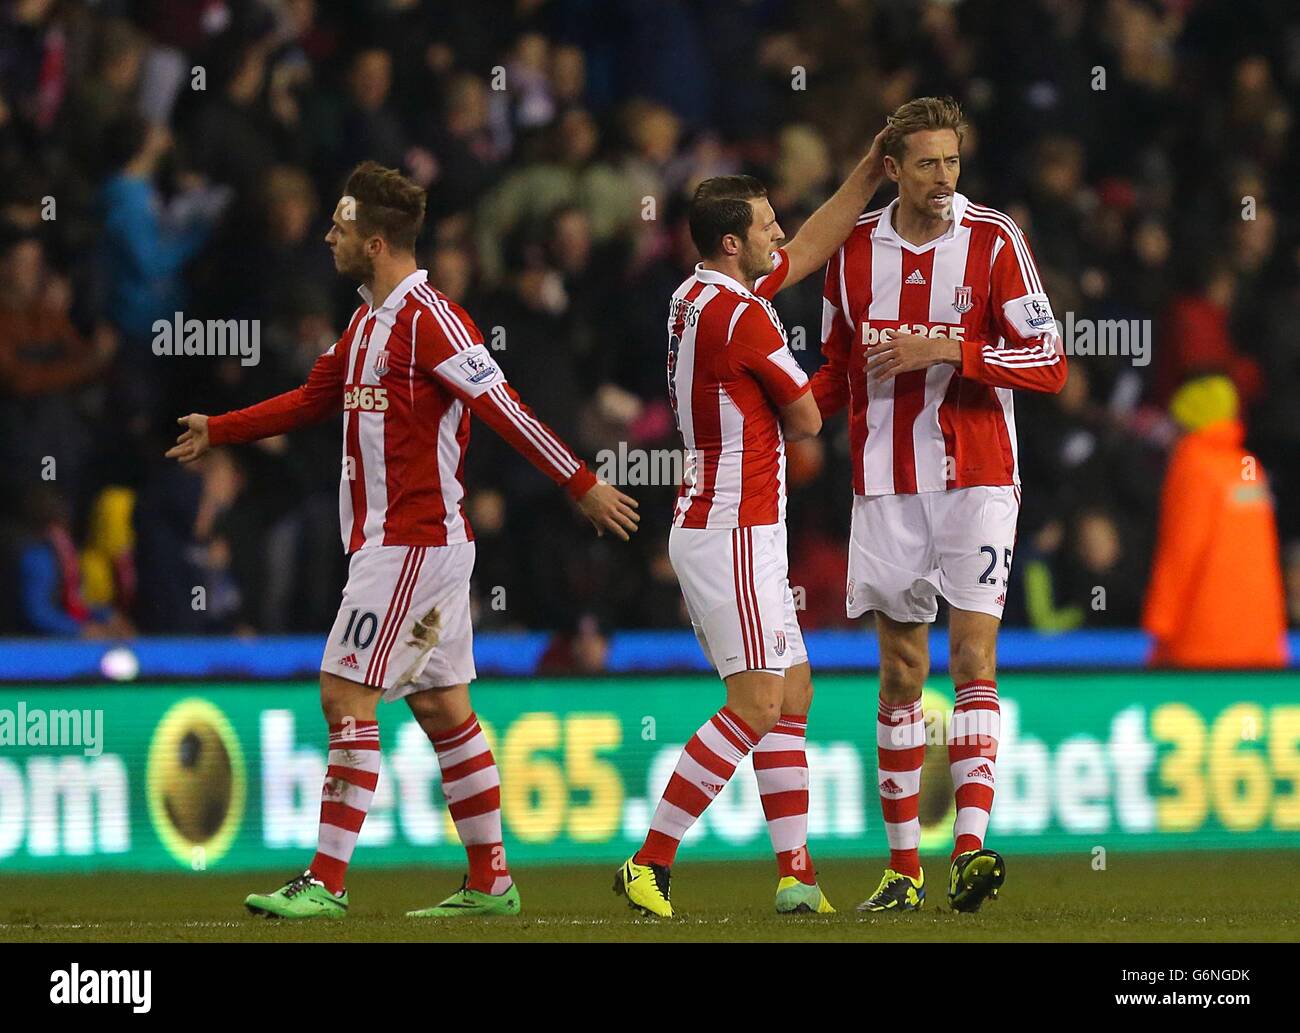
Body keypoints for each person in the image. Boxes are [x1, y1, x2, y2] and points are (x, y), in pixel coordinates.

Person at [166, 161, 638, 919]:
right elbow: (310, 399)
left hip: (412, 544)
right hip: (402, 546)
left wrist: (580, 482)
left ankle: (326, 880)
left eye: (340, 227)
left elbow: (505, 408)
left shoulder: (432, 320)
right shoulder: (365, 324)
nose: (328, 236)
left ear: (377, 242)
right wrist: (220, 428)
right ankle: (492, 882)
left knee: (343, 691)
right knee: (445, 709)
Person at [616, 131, 887, 918]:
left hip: (733, 523)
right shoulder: (744, 317)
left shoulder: (697, 294)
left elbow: (810, 244)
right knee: (759, 701)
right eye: (767, 225)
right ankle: (649, 861)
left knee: (792, 689)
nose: (780, 233)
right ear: (732, 243)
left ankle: (796, 875)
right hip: (732, 526)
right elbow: (805, 420)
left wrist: (868, 170)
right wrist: (845, 369)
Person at [811, 97, 1067, 913]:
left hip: (979, 477)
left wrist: (949, 348)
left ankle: (968, 849)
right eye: (927, 164)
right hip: (886, 481)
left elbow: (1049, 361)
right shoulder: (851, 251)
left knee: (973, 658)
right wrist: (782, 415)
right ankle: (902, 868)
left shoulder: (994, 238)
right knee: (901, 671)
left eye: (952, 161)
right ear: (892, 169)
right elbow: (835, 367)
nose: (944, 178)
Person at [1142, 374, 1287, 668]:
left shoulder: (1193, 465)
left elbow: (1182, 552)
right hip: (1262, 634)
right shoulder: (1248, 467)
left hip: (1203, 636)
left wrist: (1161, 625)